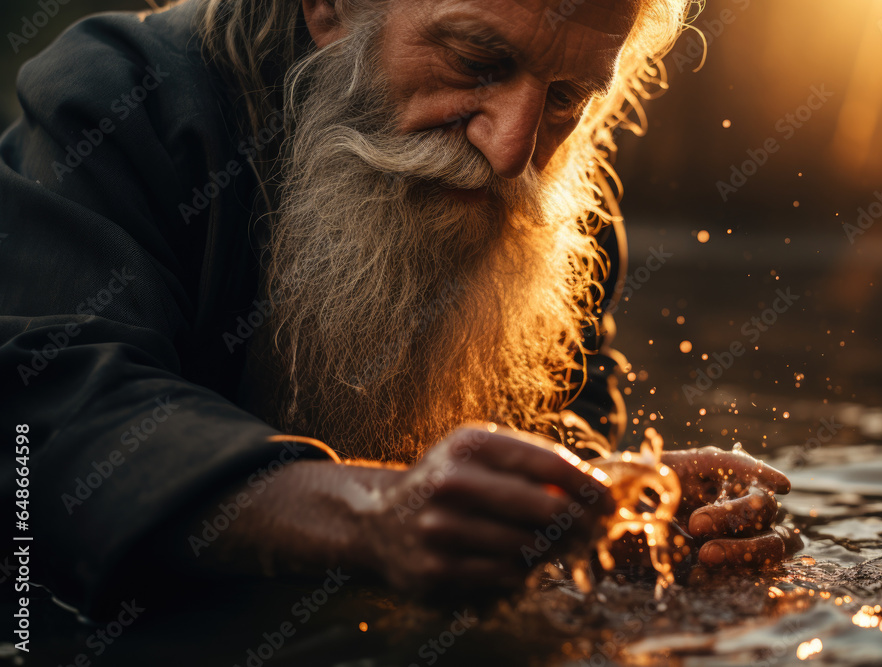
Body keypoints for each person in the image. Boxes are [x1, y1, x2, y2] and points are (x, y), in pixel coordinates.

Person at [0, 0, 794, 617]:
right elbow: (42, 421)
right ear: (330, 8)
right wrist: (369, 516)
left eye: (564, 98)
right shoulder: (114, 102)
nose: (512, 152)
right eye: (477, 60)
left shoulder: (558, 214)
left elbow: (568, 413)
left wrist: (617, 516)